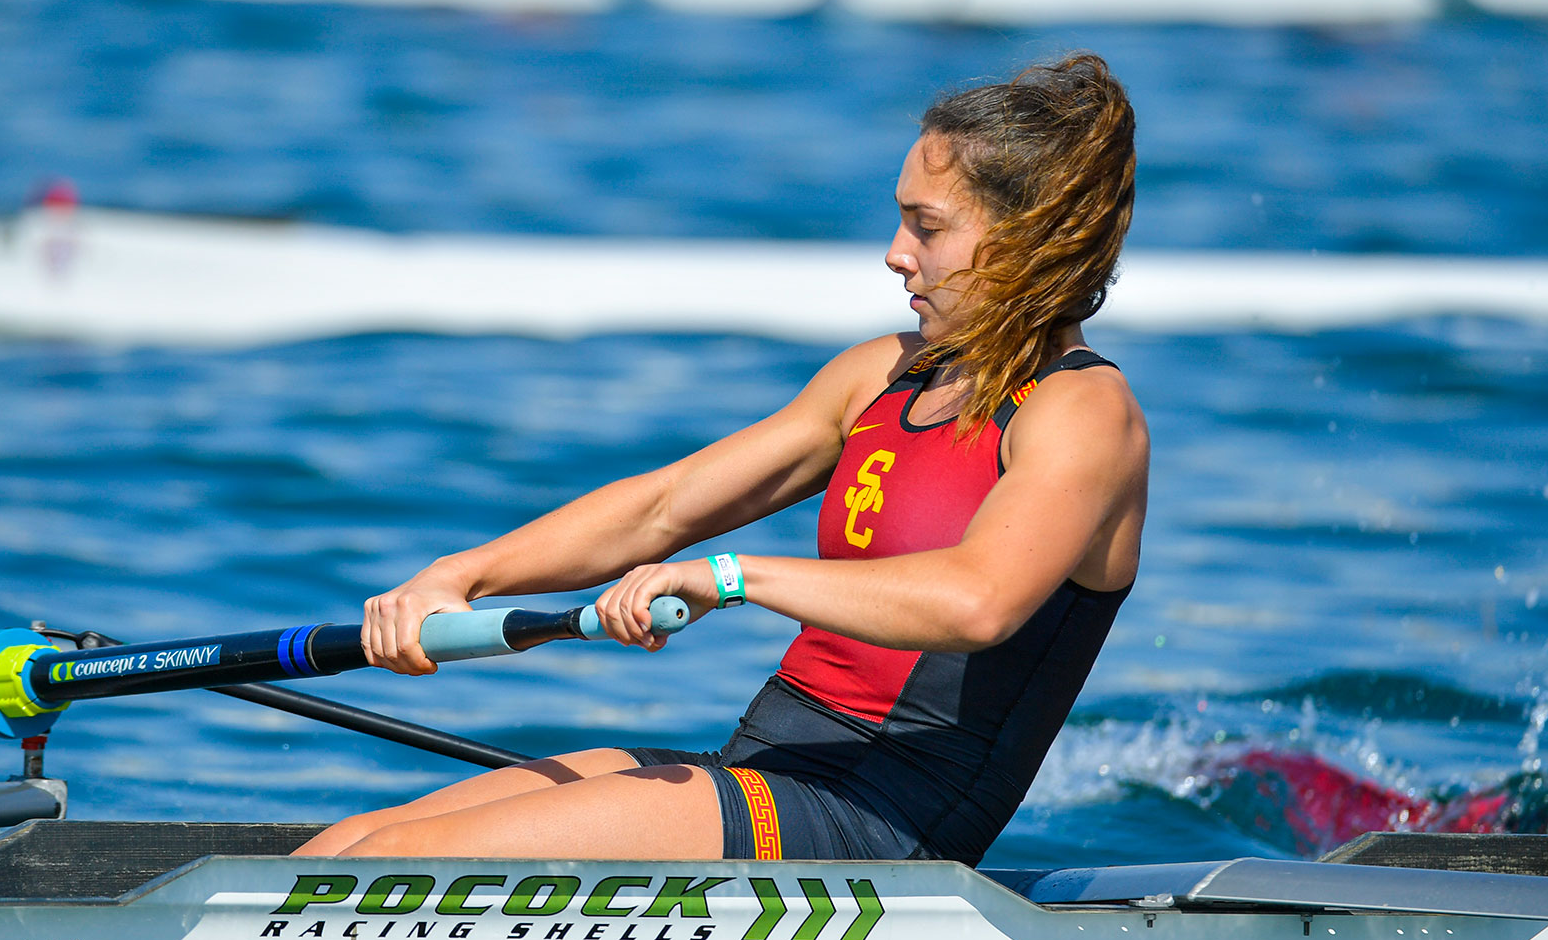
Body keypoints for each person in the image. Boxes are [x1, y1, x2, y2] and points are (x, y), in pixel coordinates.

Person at [297, 52, 1147, 863]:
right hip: (763, 770)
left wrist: (732, 577)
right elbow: (664, 507)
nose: (896, 252)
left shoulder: (1083, 412)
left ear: (1031, 238)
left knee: (399, 861)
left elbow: (978, 603)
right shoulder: (882, 376)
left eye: (926, 227)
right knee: (344, 846)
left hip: (881, 821)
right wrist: (457, 578)